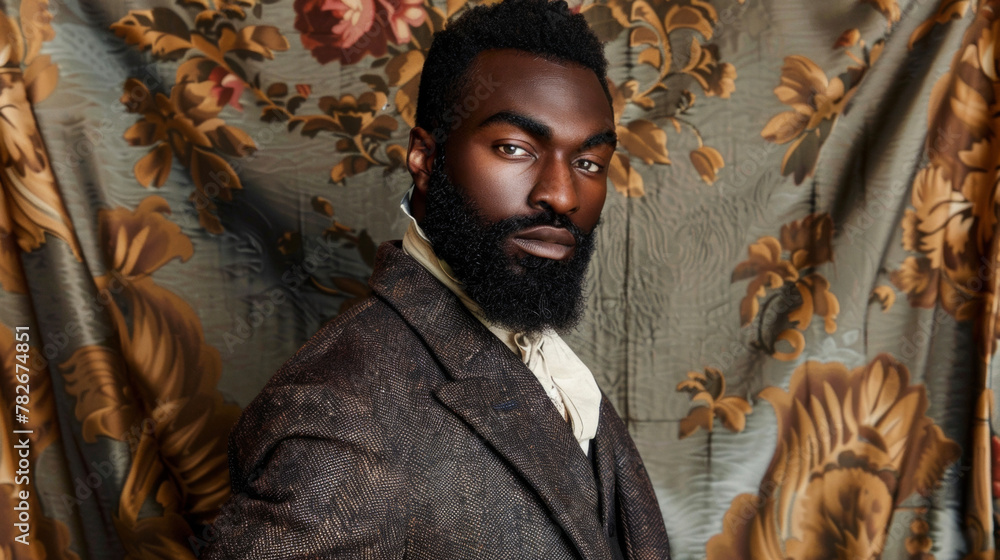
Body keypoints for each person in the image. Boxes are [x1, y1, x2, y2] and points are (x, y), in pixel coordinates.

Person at [202, 0, 670, 557]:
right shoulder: (341, 420)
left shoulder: (542, 358)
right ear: (425, 157)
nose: (562, 195)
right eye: (515, 148)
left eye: (589, 163)